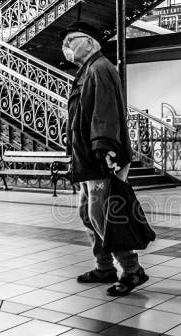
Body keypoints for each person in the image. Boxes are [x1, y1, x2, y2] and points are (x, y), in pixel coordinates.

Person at [63, 22, 148, 297]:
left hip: (101, 157)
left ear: (89, 42)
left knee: (100, 216)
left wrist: (106, 149)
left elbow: (105, 112)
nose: (66, 47)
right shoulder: (87, 70)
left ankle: (132, 270)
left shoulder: (99, 68)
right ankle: (104, 267)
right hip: (87, 158)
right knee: (88, 214)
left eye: (70, 40)